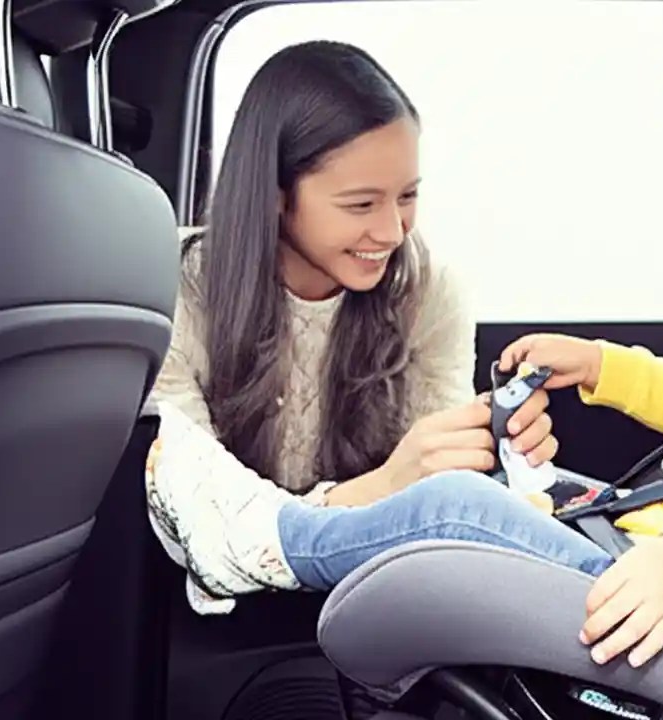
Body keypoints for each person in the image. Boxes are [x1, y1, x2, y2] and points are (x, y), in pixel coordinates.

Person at [151, 116, 663, 668]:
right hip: (629, 548)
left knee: (455, 505)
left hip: (650, 588)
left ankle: (270, 541)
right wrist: (603, 364)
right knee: (494, 480)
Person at [145, 40, 559, 615]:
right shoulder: (171, 288)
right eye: (361, 205)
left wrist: (496, 456)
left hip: (371, 603)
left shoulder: (428, 294)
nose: (392, 232)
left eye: (408, 197)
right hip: (209, 622)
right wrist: (385, 490)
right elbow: (198, 509)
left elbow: (436, 507)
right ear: (275, 195)